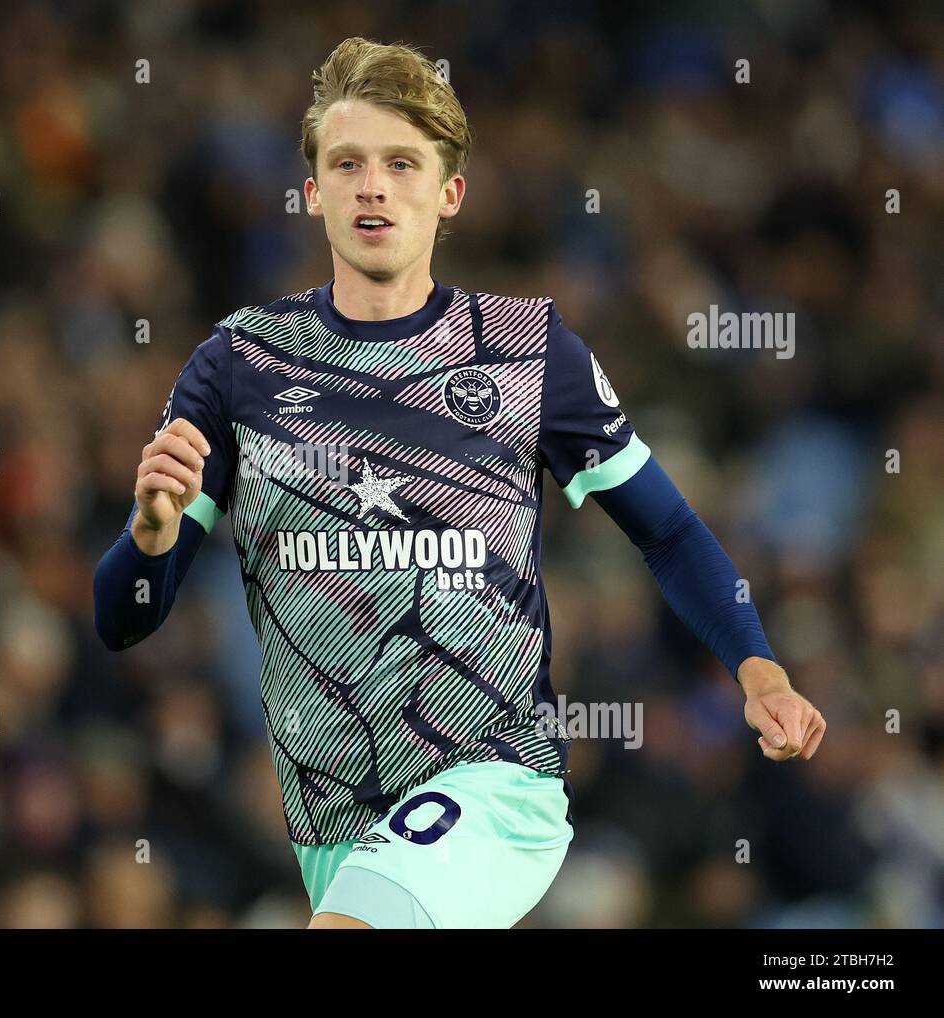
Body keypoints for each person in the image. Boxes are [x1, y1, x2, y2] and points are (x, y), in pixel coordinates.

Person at [94, 36, 825, 929]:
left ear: (449, 195)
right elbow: (123, 618)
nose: (374, 186)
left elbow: (665, 530)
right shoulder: (237, 363)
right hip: (332, 823)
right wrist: (154, 534)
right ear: (314, 191)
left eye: (402, 164)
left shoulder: (528, 351)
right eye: (348, 163)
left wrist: (759, 668)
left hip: (495, 783)